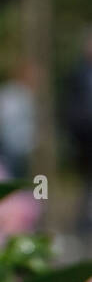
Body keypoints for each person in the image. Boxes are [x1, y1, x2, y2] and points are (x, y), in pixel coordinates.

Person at [63, 29, 92, 235]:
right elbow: (70, 108)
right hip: (84, 136)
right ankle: (82, 224)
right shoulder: (78, 74)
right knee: (86, 181)